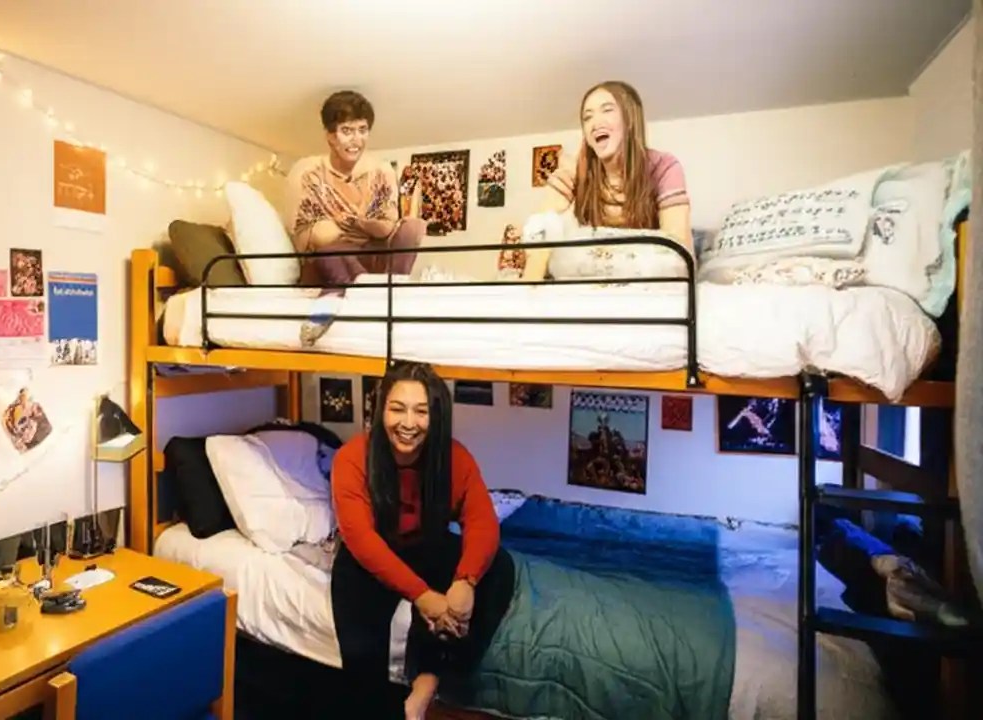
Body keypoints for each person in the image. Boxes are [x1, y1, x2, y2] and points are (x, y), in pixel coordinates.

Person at [329, 362, 514, 720]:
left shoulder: (453, 457)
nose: (408, 423)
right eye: (397, 409)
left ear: (437, 416)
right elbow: (362, 540)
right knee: (360, 659)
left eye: (421, 411)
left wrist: (465, 581)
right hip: (370, 559)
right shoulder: (352, 459)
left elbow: (482, 521)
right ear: (381, 410)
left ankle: (426, 685)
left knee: (500, 568)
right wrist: (423, 596)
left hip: (426, 545)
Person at [283, 90, 428, 345]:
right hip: (330, 259)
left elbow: (386, 228)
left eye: (362, 130)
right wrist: (347, 226)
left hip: (370, 254)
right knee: (332, 249)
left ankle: (372, 291)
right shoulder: (309, 172)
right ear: (330, 136)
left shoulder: (382, 171)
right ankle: (356, 296)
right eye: (347, 130)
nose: (356, 139)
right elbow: (310, 237)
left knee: (413, 227)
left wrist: (360, 224)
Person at [522, 80, 694, 281]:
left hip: (649, 275)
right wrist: (527, 293)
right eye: (587, 117)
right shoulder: (575, 168)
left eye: (607, 110)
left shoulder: (664, 166)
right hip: (595, 273)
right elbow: (540, 237)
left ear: (630, 119)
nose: (595, 123)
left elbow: (676, 255)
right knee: (556, 252)